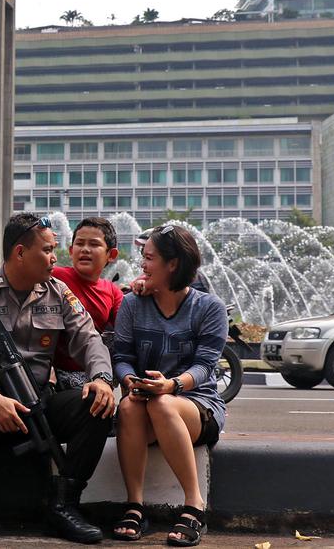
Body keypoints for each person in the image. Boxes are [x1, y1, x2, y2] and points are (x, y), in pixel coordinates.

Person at [0, 212, 117, 544]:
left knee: (97, 404)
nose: (54, 258)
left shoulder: (58, 292)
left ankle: (63, 505)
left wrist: (102, 378)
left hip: (37, 405)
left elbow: (89, 339)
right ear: (20, 252)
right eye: (47, 250)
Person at [111, 225, 226, 547]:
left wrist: (172, 385)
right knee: (129, 406)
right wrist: (129, 379)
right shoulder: (133, 304)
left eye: (149, 258)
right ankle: (135, 504)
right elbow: (121, 356)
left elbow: (205, 366)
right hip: (146, 402)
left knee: (161, 403)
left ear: (172, 264)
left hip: (197, 406)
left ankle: (194, 505)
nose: (142, 265)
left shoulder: (209, 308)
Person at [51, 217, 125, 391]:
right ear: (71, 251)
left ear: (111, 255)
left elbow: (127, 328)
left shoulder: (113, 292)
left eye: (94, 244)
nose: (85, 249)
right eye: (80, 243)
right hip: (50, 371)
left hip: (89, 371)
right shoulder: (54, 277)